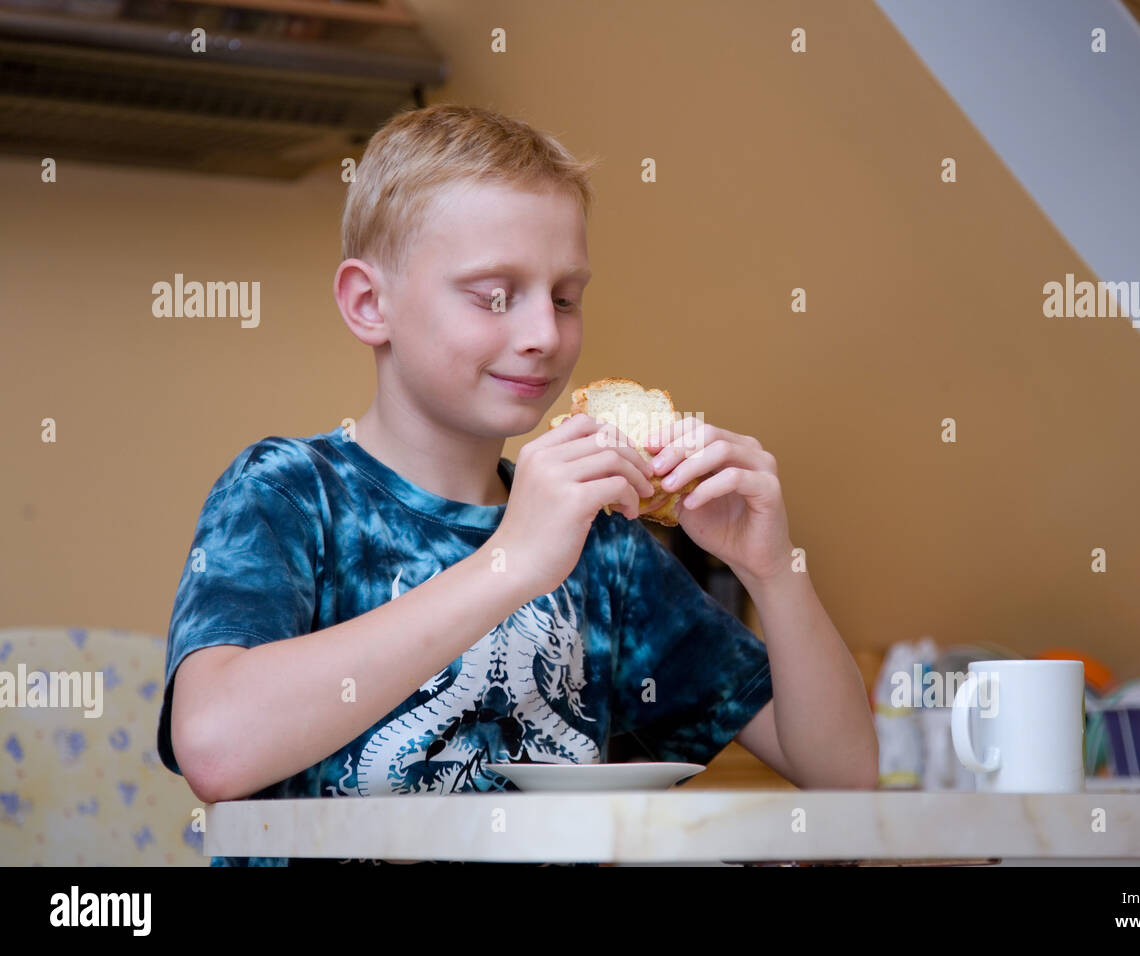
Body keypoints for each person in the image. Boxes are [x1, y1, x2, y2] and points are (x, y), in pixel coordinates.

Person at [155, 103, 876, 867]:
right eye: (496, 295)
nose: (545, 334)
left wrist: (774, 570)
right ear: (371, 304)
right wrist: (513, 562)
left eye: (566, 297)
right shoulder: (290, 494)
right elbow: (215, 749)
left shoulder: (603, 545)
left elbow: (845, 782)